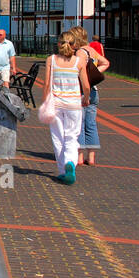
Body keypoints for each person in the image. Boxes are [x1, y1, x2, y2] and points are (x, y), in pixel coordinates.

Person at [43, 30, 90, 184]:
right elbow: (87, 86)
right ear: (74, 45)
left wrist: (45, 102)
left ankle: (63, 170)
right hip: (74, 105)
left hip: (56, 103)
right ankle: (70, 163)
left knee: (57, 138)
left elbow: (47, 84)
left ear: (58, 44)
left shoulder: (51, 60)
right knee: (71, 136)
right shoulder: (79, 62)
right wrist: (86, 98)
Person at [71, 26, 109, 167]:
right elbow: (106, 62)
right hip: (94, 90)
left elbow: (80, 72)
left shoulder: (80, 52)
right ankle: (91, 157)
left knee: (79, 124)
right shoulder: (91, 50)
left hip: (83, 91)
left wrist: (87, 77)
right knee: (91, 124)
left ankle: (80, 157)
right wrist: (95, 74)